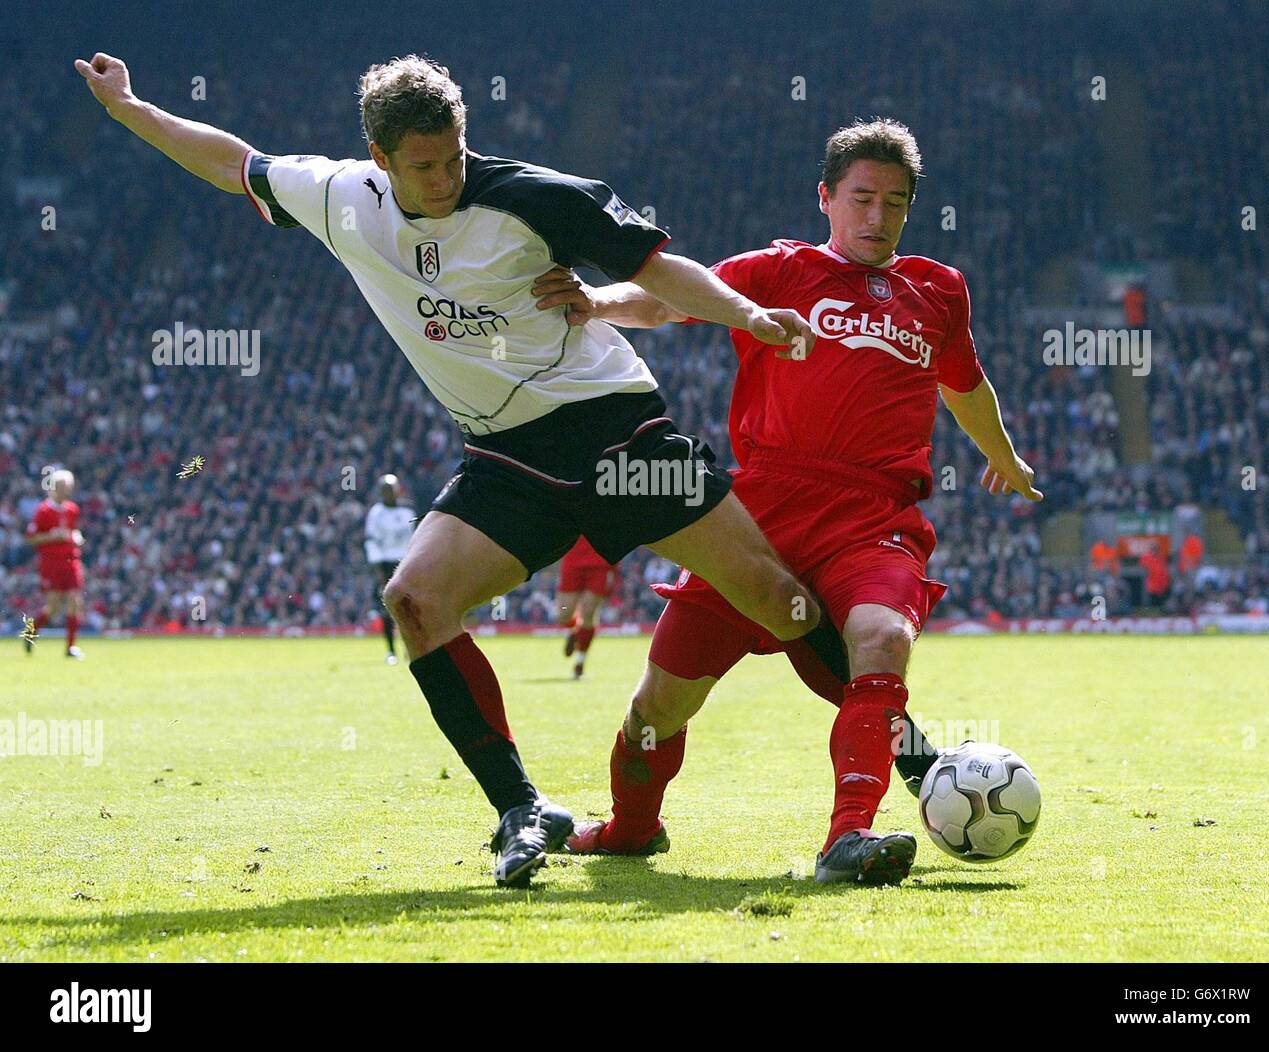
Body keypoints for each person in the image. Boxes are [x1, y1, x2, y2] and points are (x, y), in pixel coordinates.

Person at [77, 50, 840, 888]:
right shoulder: (340, 198)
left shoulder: (533, 195)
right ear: (380, 160)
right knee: (414, 599)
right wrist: (132, 111)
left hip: (610, 426)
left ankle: (912, 756)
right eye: (423, 166)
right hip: (506, 453)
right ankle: (520, 809)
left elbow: (656, 270)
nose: (445, 177)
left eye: (454, 156)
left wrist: (746, 314)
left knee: (776, 594)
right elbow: (233, 161)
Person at [534, 118, 1043, 884]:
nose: (878, 218)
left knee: (880, 636)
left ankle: (849, 838)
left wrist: (1003, 456)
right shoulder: (779, 271)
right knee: (656, 711)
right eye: (863, 198)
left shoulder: (938, 289)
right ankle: (633, 829)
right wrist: (596, 304)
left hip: (875, 518)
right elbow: (672, 298)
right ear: (827, 198)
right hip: (757, 518)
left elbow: (963, 383)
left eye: (895, 204)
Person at [25, 469, 86, 659]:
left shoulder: (72, 509)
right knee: (53, 607)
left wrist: (77, 536)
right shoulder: (44, 510)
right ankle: (30, 632)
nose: (65, 490)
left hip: (71, 560)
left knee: (75, 600)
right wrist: (50, 536)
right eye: (62, 486)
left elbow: (74, 530)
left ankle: (70, 647)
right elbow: (31, 538)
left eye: (67, 486)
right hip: (51, 563)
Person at [364, 474, 416, 664]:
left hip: (405, 563)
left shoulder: (407, 512)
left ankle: (411, 649)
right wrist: (378, 569)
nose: (389, 493)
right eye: (385, 490)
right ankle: (391, 651)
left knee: (410, 608)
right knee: (388, 609)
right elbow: (371, 541)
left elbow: (415, 539)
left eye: (392, 489)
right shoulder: (376, 513)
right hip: (385, 565)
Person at [555, 536, 621, 679]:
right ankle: (574, 631)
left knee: (589, 612)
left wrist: (614, 567)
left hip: (600, 561)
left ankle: (580, 662)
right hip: (573, 559)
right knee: (563, 615)